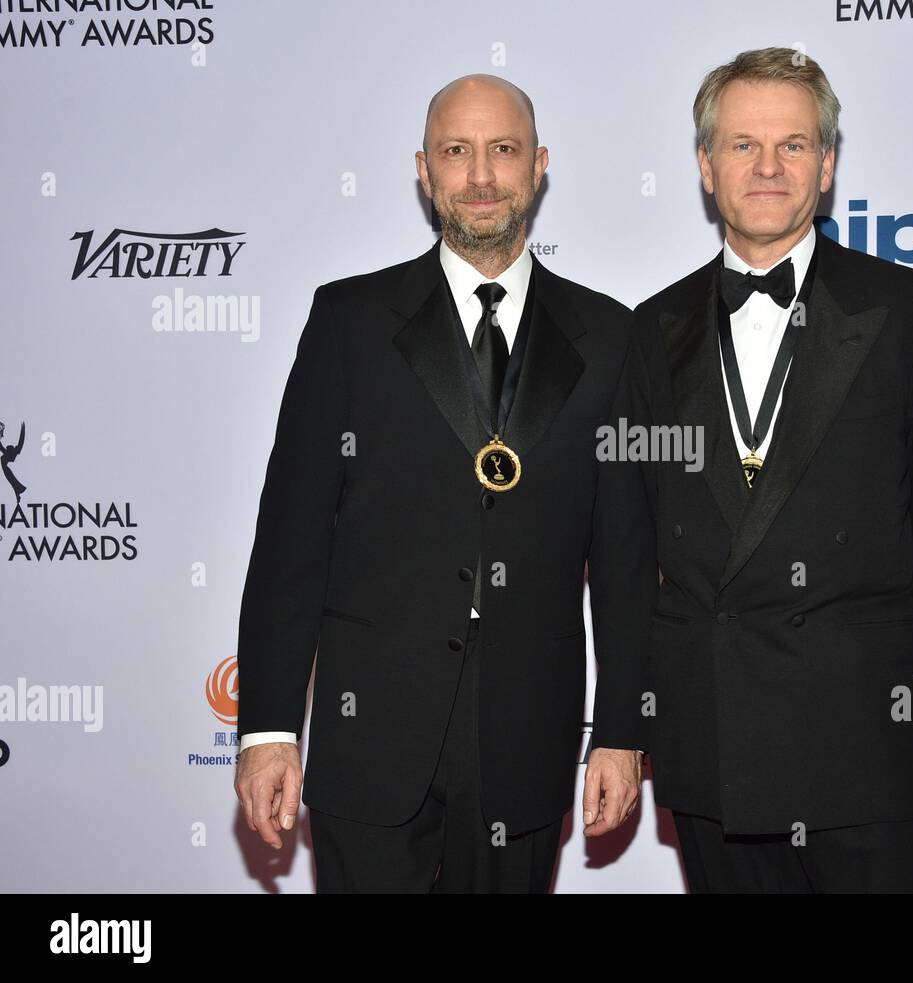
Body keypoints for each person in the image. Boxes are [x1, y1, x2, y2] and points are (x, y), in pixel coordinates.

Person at [233, 74, 655, 893]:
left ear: (539, 166)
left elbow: (628, 558)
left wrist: (622, 727)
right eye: (456, 152)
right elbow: (290, 540)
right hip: (372, 736)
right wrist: (269, 729)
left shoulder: (609, 336)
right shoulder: (350, 322)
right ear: (423, 170)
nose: (481, 177)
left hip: (527, 739)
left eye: (502, 151)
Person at [624, 47, 913, 892]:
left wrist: (860, 651)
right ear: (706, 166)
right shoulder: (652, 329)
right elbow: (635, 531)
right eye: (743, 144)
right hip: (715, 743)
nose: (767, 166)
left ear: (826, 168)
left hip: (861, 738)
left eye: (792, 146)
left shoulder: (908, 311)